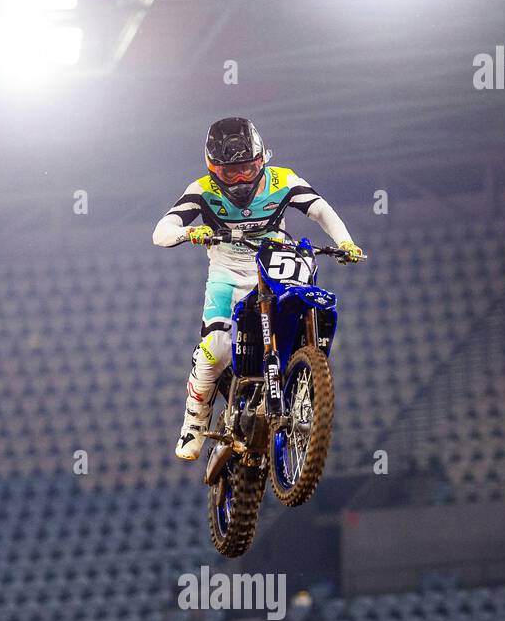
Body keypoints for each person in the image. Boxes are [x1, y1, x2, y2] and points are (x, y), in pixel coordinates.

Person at [152, 116, 363, 461]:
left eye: (247, 169)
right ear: (212, 169)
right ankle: (193, 421)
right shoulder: (201, 190)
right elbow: (162, 229)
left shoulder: (284, 180)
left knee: (300, 317)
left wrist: (346, 243)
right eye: (228, 172)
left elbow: (320, 210)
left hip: (275, 263)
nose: (238, 179)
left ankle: (301, 392)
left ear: (263, 159)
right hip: (227, 273)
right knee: (216, 346)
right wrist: (187, 233)